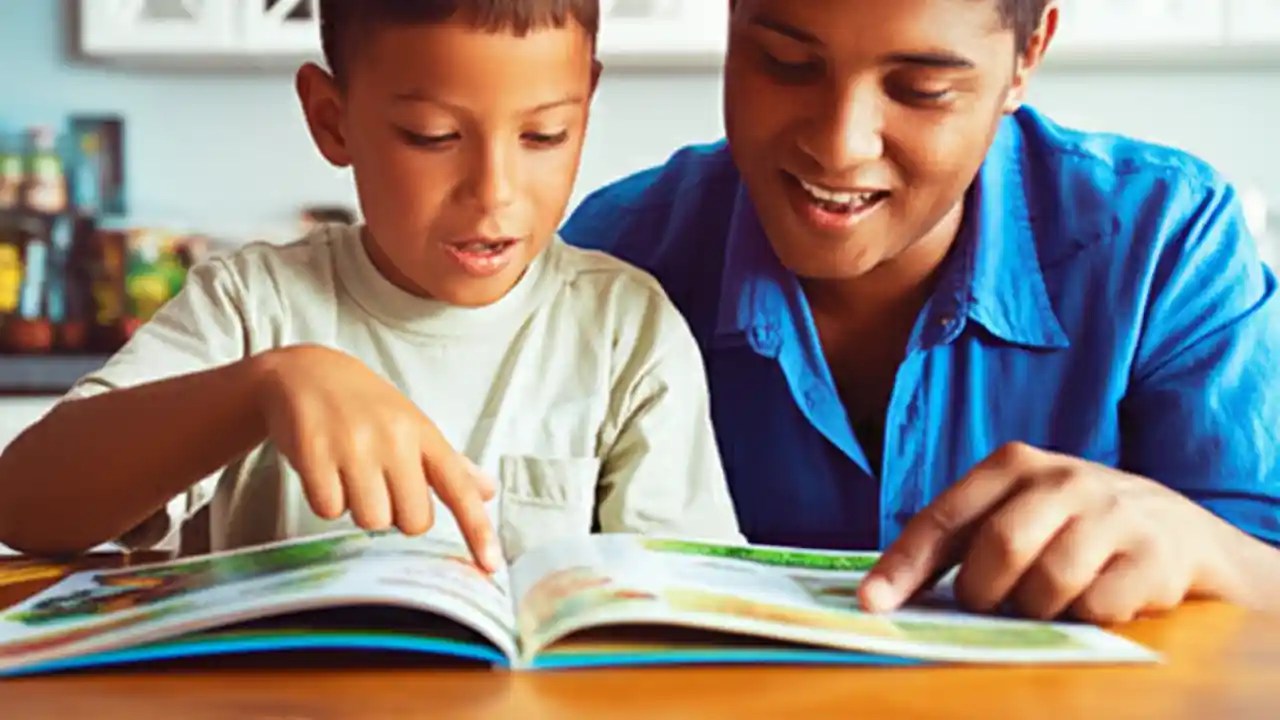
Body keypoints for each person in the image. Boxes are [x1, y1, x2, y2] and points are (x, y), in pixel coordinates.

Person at [560, 0, 1280, 623]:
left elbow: (1261, 583)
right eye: (785, 62)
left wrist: (1200, 548)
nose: (841, 147)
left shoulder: (1166, 242)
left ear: (1026, 58)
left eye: (922, 89)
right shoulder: (607, 265)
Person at [0, 0, 741, 570]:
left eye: (544, 135)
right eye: (432, 136)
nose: (495, 192)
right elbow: (24, 505)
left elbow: (681, 607)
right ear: (333, 120)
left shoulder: (623, 331)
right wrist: (265, 386)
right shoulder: (253, 309)